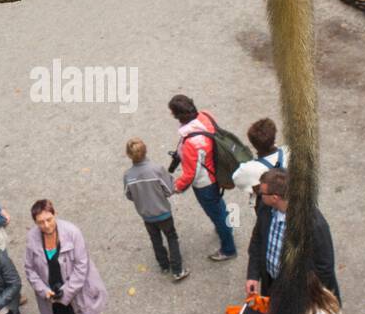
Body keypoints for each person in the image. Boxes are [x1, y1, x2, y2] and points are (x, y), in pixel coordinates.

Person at [24, 200, 112, 314]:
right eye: (40, 222)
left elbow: (82, 267)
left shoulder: (72, 232)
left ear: (54, 214)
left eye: (49, 219)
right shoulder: (32, 238)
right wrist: (44, 290)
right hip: (50, 296)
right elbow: (29, 269)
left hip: (77, 292)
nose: (46, 225)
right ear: (35, 222)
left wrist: (66, 292)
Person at [246, 168, 340, 301]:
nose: (259, 195)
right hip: (273, 285)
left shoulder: (314, 226)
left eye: (261, 193)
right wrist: (253, 275)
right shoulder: (265, 207)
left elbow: (324, 269)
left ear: (275, 198)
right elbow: (258, 240)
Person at [167, 93, 236, 261]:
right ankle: (226, 227)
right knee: (219, 207)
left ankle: (228, 248)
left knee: (216, 214)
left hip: (205, 184)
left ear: (178, 115)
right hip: (215, 172)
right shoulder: (205, 116)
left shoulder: (192, 142)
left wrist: (176, 187)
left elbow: (190, 174)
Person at [122, 137, 188, 282]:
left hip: (146, 215)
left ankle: (164, 265)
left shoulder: (128, 175)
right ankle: (177, 270)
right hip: (163, 213)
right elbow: (169, 190)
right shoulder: (157, 169)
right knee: (171, 237)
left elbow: (129, 195)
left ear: (129, 155)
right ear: (145, 150)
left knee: (155, 239)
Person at [231, 117, 289, 207]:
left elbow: (236, 179)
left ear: (253, 144)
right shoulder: (289, 151)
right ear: (274, 137)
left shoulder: (248, 169)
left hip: (268, 208)